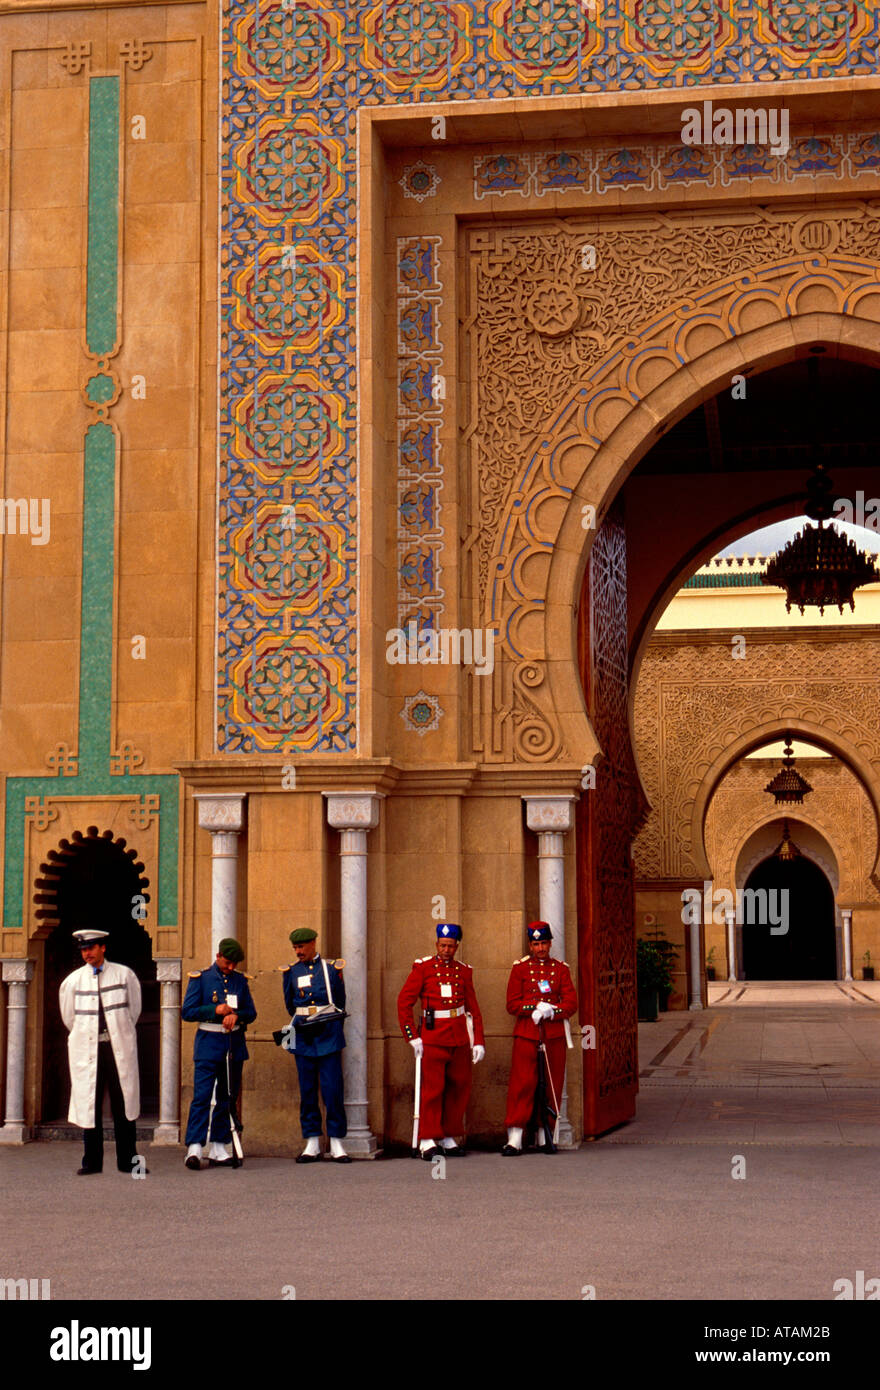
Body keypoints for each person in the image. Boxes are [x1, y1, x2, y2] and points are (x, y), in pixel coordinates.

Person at [59, 928, 144, 1176]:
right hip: (88, 1049)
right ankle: (91, 1162)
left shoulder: (124, 975)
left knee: (123, 1103)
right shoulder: (73, 982)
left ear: (102, 948)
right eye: (83, 949)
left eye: (91, 948)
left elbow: (134, 1011)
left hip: (117, 1049)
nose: (87, 953)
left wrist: (118, 1033)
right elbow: (69, 1018)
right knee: (90, 1103)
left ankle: (128, 1161)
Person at [397, 922, 485, 1159]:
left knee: (458, 1087)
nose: (446, 950)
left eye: (450, 946)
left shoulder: (464, 971)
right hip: (432, 1036)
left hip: (458, 1036)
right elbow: (404, 1002)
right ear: (437, 944)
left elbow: (473, 1008)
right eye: (442, 945)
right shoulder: (423, 968)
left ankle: (448, 1135)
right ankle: (427, 1138)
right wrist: (411, 1036)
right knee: (432, 1089)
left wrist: (478, 1041)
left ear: (456, 946)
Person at [502, 920, 577, 1155]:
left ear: (550, 943)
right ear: (530, 945)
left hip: (553, 1034)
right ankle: (515, 1136)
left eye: (544, 943)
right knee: (522, 1085)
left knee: (551, 1085)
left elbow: (571, 1003)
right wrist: (533, 1007)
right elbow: (512, 1004)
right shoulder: (520, 969)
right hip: (527, 1033)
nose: (540, 948)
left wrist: (550, 1010)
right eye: (536, 944)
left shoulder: (560, 969)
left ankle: (545, 1133)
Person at [182, 937, 256, 1170]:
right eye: (228, 962)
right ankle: (194, 1146)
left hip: (233, 1043)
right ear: (218, 956)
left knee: (227, 1096)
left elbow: (251, 1012)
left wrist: (238, 1016)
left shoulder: (240, 981)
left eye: (234, 963)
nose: (231, 967)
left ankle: (219, 1145)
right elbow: (188, 1011)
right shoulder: (201, 979)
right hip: (208, 1044)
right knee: (202, 1096)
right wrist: (215, 1009)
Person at [280, 928, 350, 1163]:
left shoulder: (331, 969)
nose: (298, 952)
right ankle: (311, 1142)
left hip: (328, 1033)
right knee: (307, 1089)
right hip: (303, 1034)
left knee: (332, 1089)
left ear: (313, 944)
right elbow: (290, 1005)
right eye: (295, 948)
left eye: (301, 947)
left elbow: (340, 1001)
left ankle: (337, 1142)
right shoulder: (291, 972)